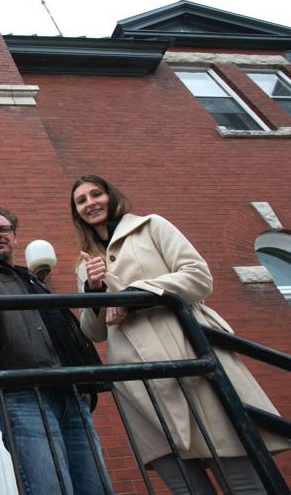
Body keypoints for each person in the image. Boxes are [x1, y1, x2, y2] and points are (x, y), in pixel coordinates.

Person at [71, 174, 289, 494]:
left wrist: (133, 296)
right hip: (138, 380)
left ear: (111, 196)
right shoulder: (86, 263)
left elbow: (199, 277)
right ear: (76, 212)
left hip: (189, 353)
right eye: (81, 201)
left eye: (96, 194)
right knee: (184, 485)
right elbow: (93, 332)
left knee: (239, 476)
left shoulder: (151, 226)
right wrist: (94, 290)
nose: (90, 203)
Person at [0, 205, 113, 495]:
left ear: (14, 237)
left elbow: (66, 329)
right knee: (47, 486)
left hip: (70, 392)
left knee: (94, 486)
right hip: (20, 393)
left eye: (3, 229)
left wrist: (94, 291)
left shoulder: (32, 279)